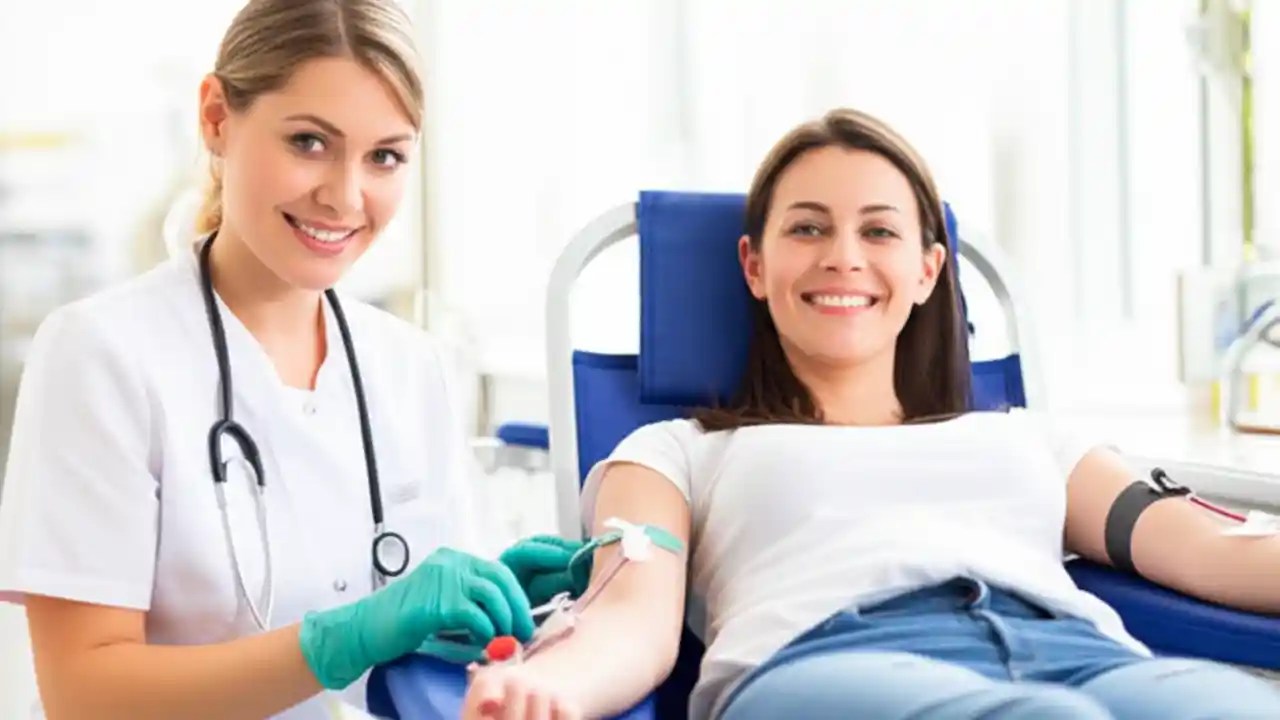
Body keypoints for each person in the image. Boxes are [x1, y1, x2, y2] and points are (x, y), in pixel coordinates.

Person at [458, 108, 1280, 720]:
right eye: (808, 227)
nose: (843, 256)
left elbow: (1211, 546)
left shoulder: (1032, 437)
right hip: (826, 663)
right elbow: (628, 616)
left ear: (928, 270)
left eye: (878, 231)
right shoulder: (673, 452)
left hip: (1084, 656)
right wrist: (548, 688)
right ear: (754, 263)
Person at [0, 1, 578, 718]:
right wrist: (339, 641)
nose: (344, 195)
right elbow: (84, 694)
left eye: (385, 156)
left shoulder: (412, 367)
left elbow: (419, 639)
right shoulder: (102, 353)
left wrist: (489, 606)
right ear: (217, 117)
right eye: (308, 142)